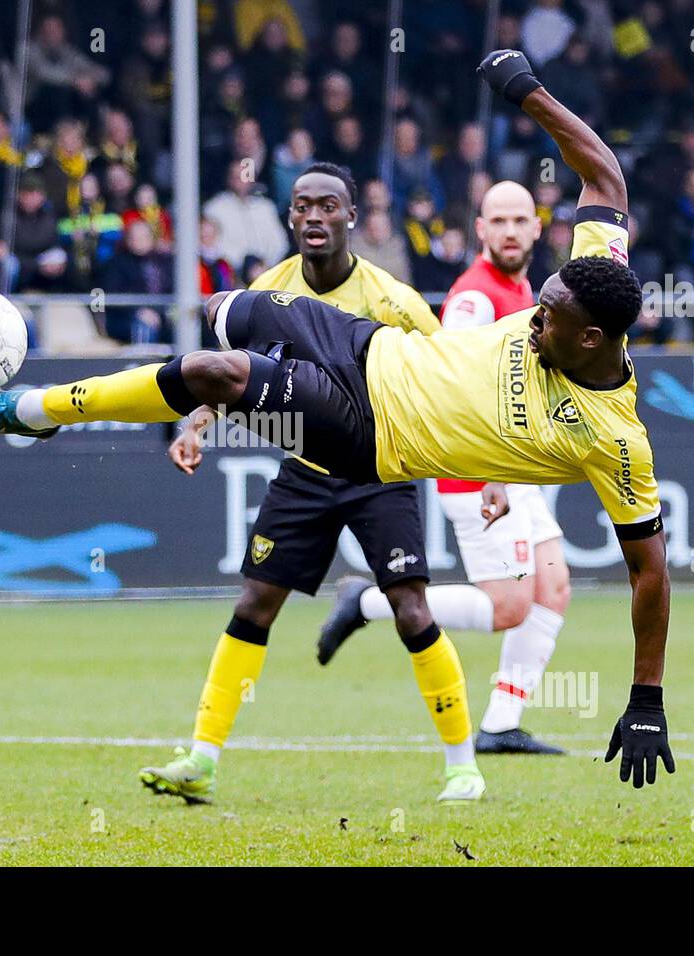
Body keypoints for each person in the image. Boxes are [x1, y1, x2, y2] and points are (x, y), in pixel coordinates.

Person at [0, 52, 675, 791]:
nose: (533, 315)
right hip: (365, 348)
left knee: (213, 372)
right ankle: (136, 399)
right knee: (230, 315)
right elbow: (604, 173)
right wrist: (528, 91)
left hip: (371, 438)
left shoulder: (613, 440)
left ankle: (25, 411)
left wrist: (646, 696)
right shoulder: (593, 274)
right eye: (539, 301)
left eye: (547, 317)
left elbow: (649, 573)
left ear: (591, 340)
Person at [137, 162, 485, 804]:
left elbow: (450, 384)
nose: (315, 216)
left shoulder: (393, 300)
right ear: (291, 217)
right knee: (253, 605)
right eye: (303, 207)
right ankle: (203, 759)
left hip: (381, 467)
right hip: (306, 469)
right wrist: (197, 422)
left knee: (412, 608)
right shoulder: (267, 292)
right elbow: (226, 370)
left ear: (351, 217)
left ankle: (463, 766)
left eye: (329, 206)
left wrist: (482, 472)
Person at [319, 180, 572, 757]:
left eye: (520, 220)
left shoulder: (522, 286)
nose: (510, 230)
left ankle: (502, 723)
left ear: (536, 227)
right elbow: (454, 387)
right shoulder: (473, 300)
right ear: (480, 230)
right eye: (497, 221)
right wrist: (493, 472)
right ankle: (364, 601)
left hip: (509, 469)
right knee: (508, 605)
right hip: (479, 471)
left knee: (553, 587)